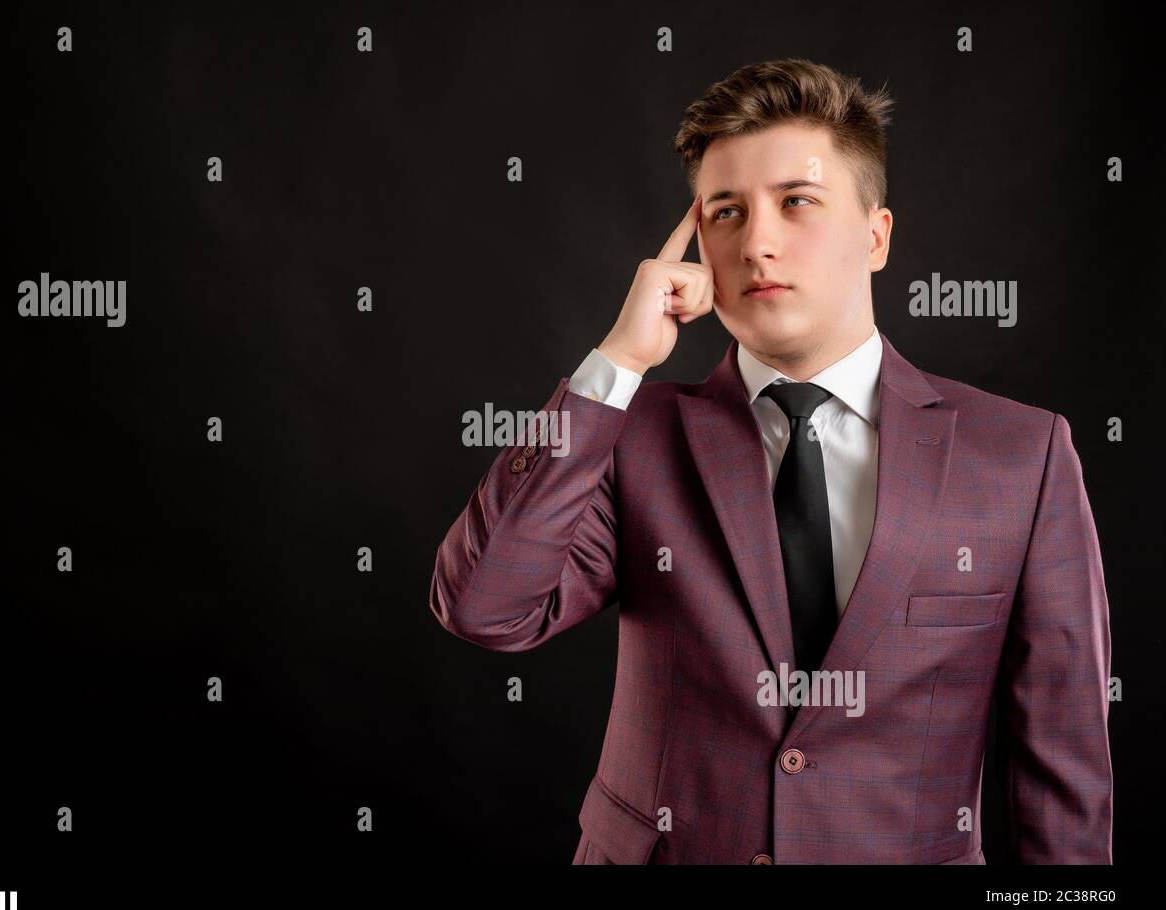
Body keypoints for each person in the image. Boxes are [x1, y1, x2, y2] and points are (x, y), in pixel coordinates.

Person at [428, 58, 1112, 864]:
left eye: (797, 203)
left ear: (877, 235)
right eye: (725, 212)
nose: (756, 242)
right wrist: (616, 362)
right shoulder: (634, 433)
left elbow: (1063, 772)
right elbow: (484, 607)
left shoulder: (1022, 457)